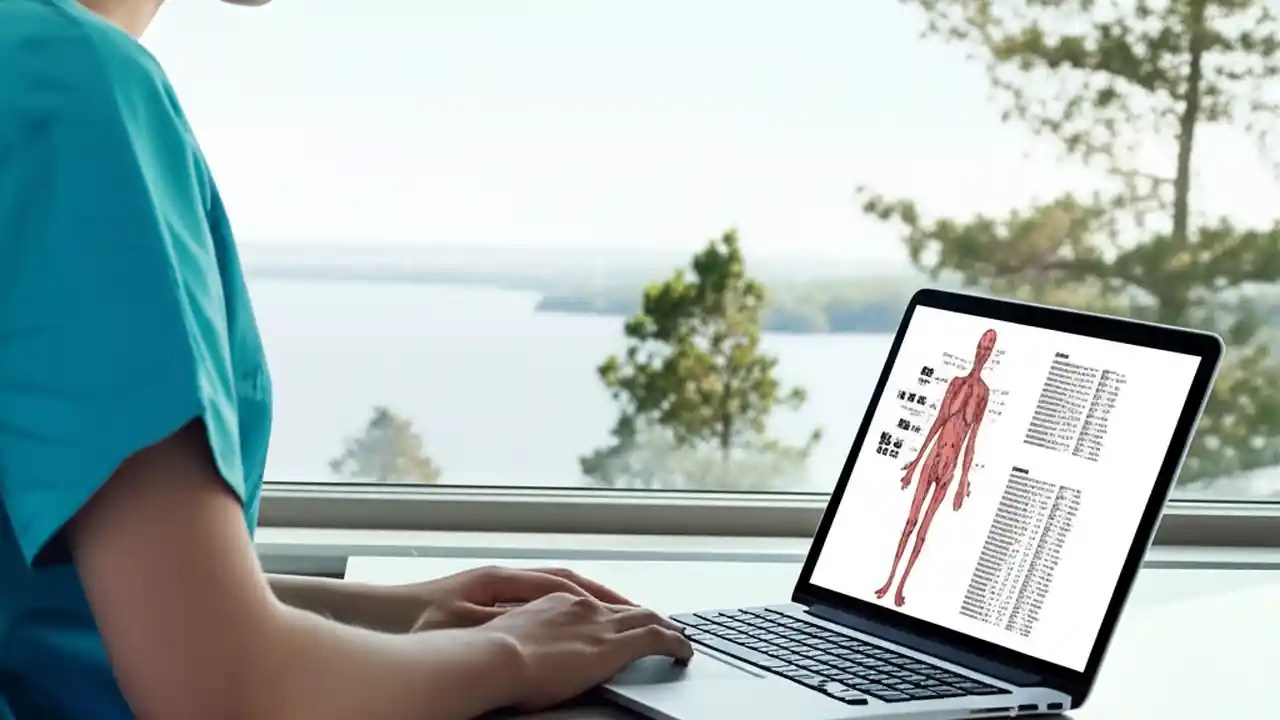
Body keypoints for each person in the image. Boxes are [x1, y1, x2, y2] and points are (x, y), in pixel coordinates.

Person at [0, 1, 693, 718]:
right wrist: (512, 655)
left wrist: (390, 612)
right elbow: (224, 693)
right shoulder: (72, 85)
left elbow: (73, 606)